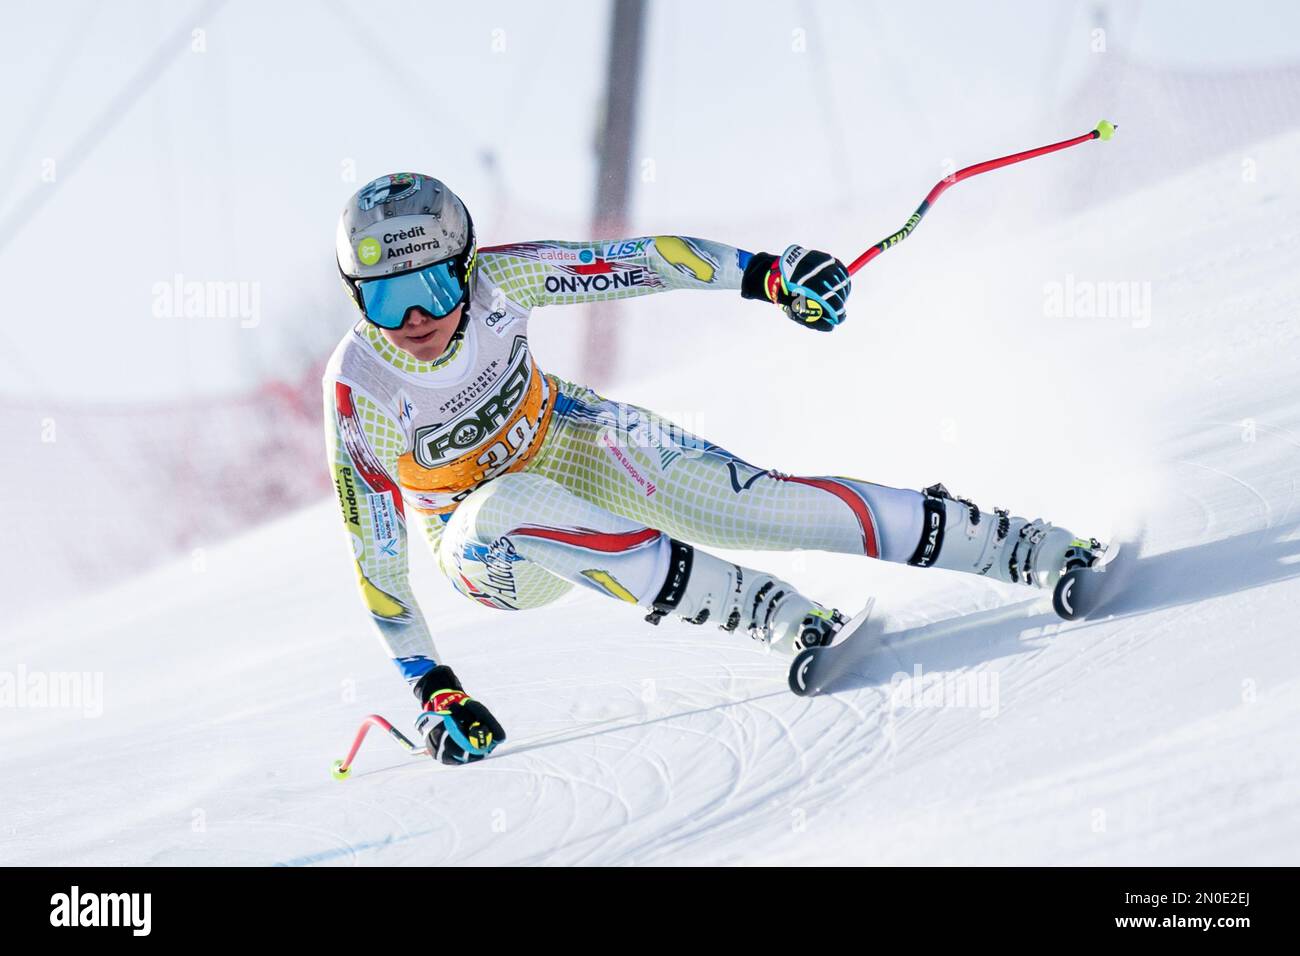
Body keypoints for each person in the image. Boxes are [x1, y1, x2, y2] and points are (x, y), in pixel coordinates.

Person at [325, 172, 1100, 765]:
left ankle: (1026, 547)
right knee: (511, 502)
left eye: (428, 286)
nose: (415, 320)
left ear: (463, 268)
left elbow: (636, 264)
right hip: (483, 548)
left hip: (570, 433)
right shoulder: (361, 387)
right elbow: (378, 565)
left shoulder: (505, 280)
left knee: (754, 507)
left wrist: (768, 275)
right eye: (385, 300)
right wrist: (434, 691)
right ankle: (772, 616)